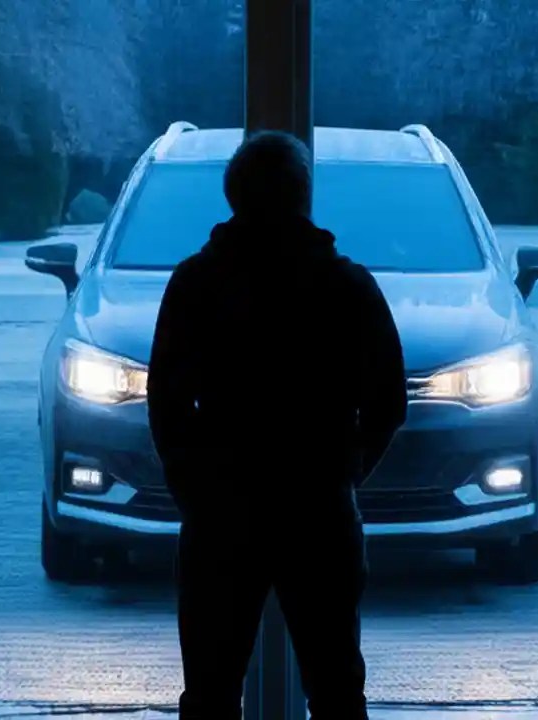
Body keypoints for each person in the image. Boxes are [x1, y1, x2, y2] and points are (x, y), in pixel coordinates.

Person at [146, 130, 408, 719]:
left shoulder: (196, 283)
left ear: (233, 196)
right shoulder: (347, 285)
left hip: (223, 503)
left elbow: (165, 401)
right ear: (302, 195)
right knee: (336, 687)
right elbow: (389, 401)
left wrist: (192, 484)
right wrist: (347, 471)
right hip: (316, 500)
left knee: (210, 690)